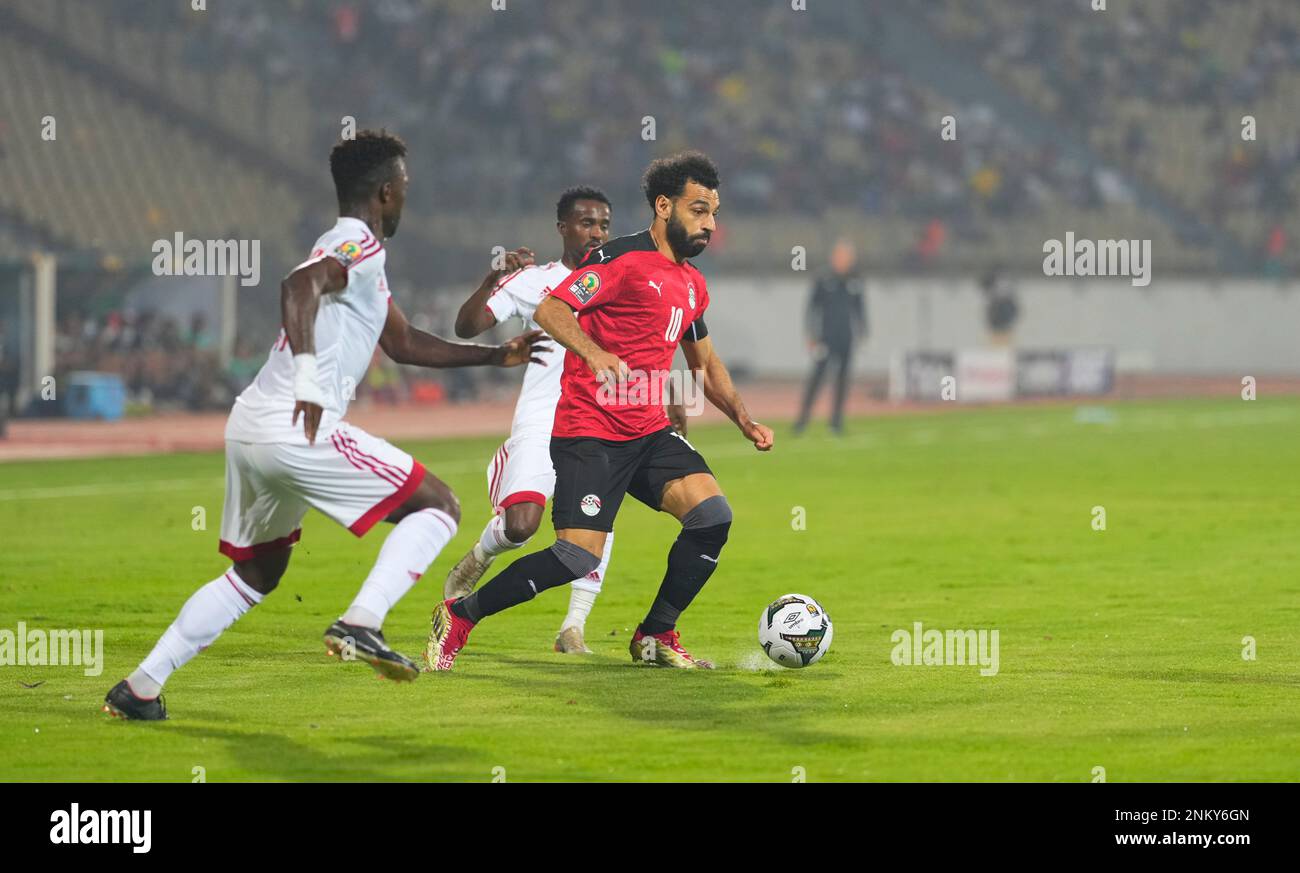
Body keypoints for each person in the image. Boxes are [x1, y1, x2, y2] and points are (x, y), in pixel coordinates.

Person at [102, 131, 548, 720]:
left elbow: (405, 343)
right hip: (295, 423)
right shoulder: (356, 243)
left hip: (252, 426)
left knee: (256, 574)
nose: (407, 197)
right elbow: (298, 286)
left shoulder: (359, 257)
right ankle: (362, 622)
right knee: (437, 507)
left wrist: (495, 356)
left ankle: (140, 687)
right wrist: (311, 379)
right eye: (406, 187)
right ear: (386, 192)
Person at [425, 151, 773, 672]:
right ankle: (461, 615)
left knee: (711, 517)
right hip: (589, 433)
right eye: (699, 210)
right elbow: (551, 309)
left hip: (649, 432)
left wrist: (742, 419)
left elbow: (705, 362)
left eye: (715, 213)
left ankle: (656, 634)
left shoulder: (692, 284)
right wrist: (593, 352)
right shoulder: (618, 261)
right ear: (664, 206)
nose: (710, 224)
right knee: (576, 558)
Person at [794, 238, 865, 435]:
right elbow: (812, 309)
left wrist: (863, 332)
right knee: (817, 379)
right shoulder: (823, 279)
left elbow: (860, 309)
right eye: (840, 256)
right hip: (825, 338)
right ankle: (802, 420)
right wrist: (811, 335)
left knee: (842, 380)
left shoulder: (855, 280)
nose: (842, 260)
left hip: (846, 338)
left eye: (846, 257)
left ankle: (836, 422)